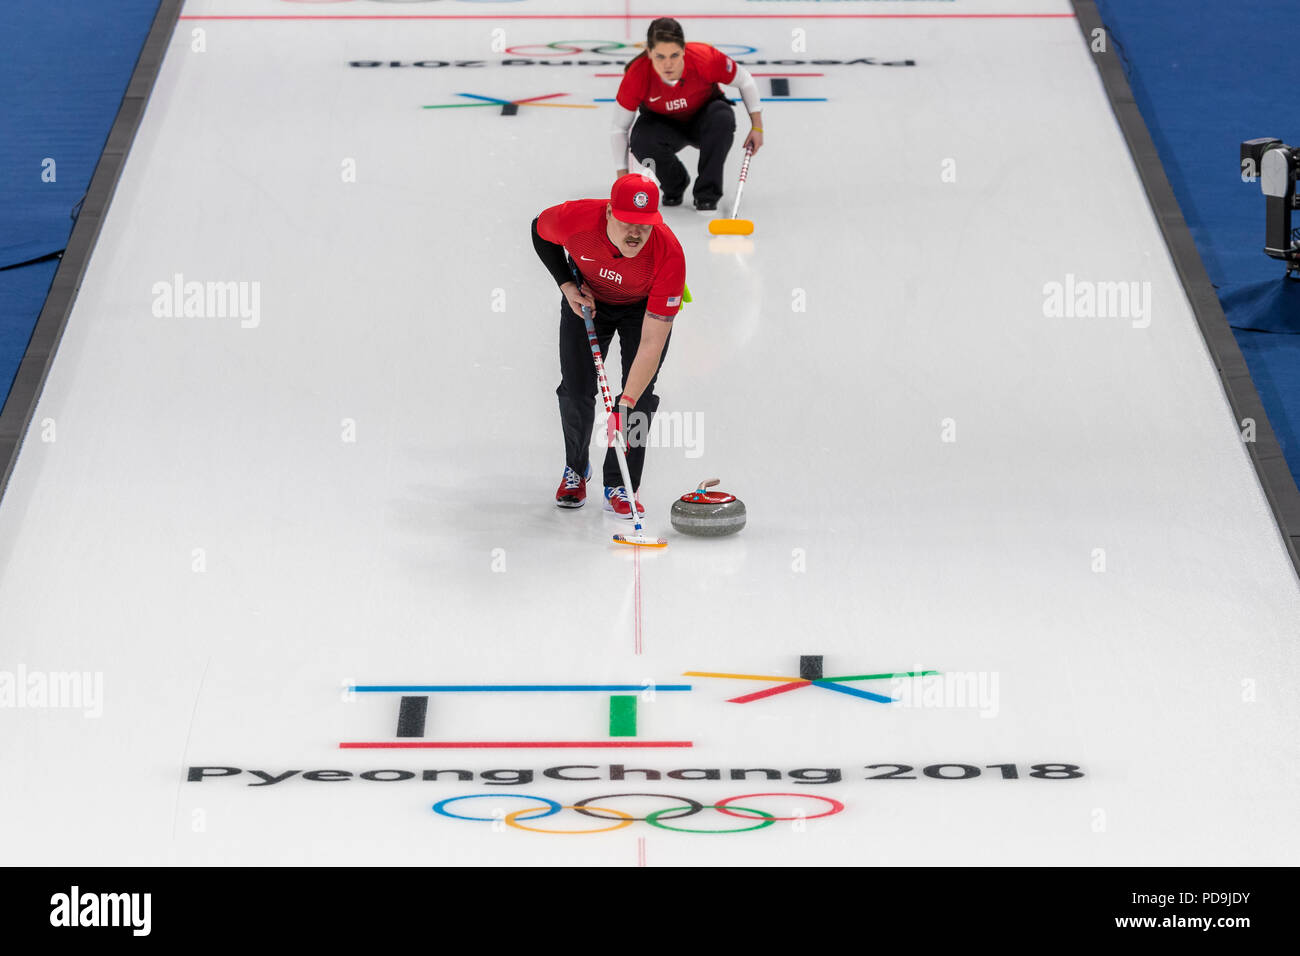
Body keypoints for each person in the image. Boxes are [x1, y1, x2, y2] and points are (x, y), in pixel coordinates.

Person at [532, 174, 686, 518]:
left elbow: (651, 344)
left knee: (639, 399)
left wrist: (625, 404)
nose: (636, 234)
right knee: (575, 389)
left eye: (645, 226)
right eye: (629, 222)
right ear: (609, 213)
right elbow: (538, 232)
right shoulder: (575, 219)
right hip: (586, 302)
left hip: (642, 310)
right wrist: (567, 286)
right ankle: (576, 468)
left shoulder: (669, 256)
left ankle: (620, 483)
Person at [611, 17, 764, 211]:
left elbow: (745, 80)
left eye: (674, 55)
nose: (668, 64)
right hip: (663, 126)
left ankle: (707, 194)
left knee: (722, 117)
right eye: (660, 56)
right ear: (649, 53)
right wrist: (623, 179)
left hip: (703, 121)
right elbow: (619, 128)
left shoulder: (705, 59)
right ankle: (675, 183)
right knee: (641, 139)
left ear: (684, 49)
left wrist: (757, 126)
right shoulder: (637, 75)